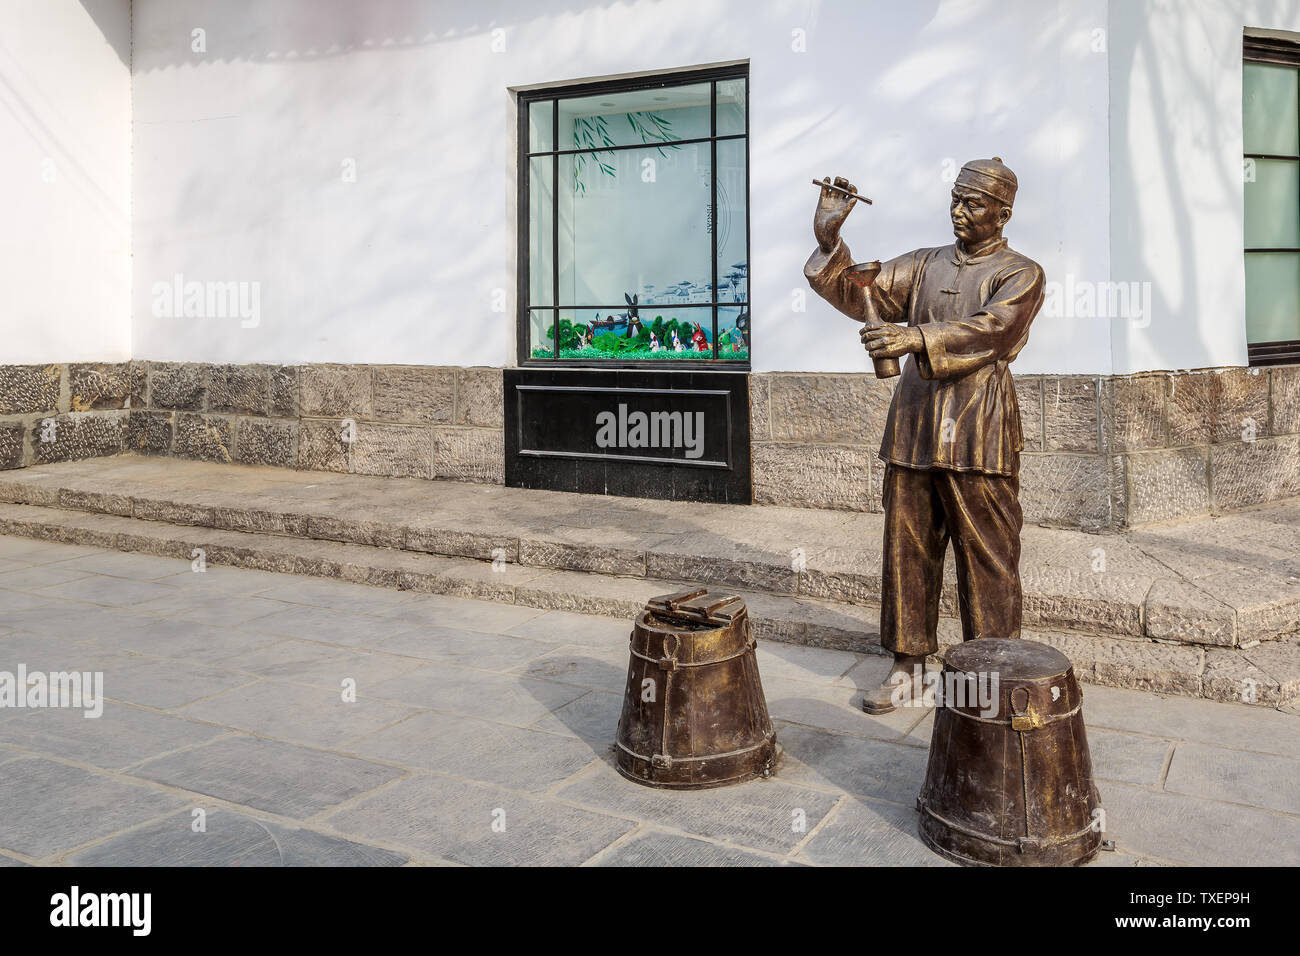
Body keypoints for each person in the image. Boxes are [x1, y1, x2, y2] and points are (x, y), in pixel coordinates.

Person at [805, 159, 1046, 714]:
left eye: (974, 203)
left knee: (988, 553)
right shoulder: (922, 264)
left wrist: (911, 336)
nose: (960, 211)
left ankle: (989, 673)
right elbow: (855, 291)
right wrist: (828, 238)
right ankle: (907, 666)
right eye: (956, 199)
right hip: (914, 423)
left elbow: (995, 329)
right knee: (907, 549)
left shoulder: (1020, 272)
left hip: (977, 425)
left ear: (1003, 212)